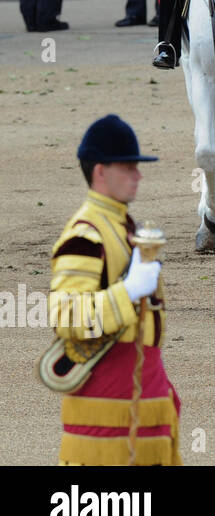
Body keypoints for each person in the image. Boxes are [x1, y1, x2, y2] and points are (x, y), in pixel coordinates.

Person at [49, 114, 181, 466]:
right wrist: (128, 292)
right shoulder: (86, 233)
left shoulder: (120, 224)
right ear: (100, 172)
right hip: (106, 424)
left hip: (137, 410)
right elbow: (66, 316)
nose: (138, 176)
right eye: (128, 167)